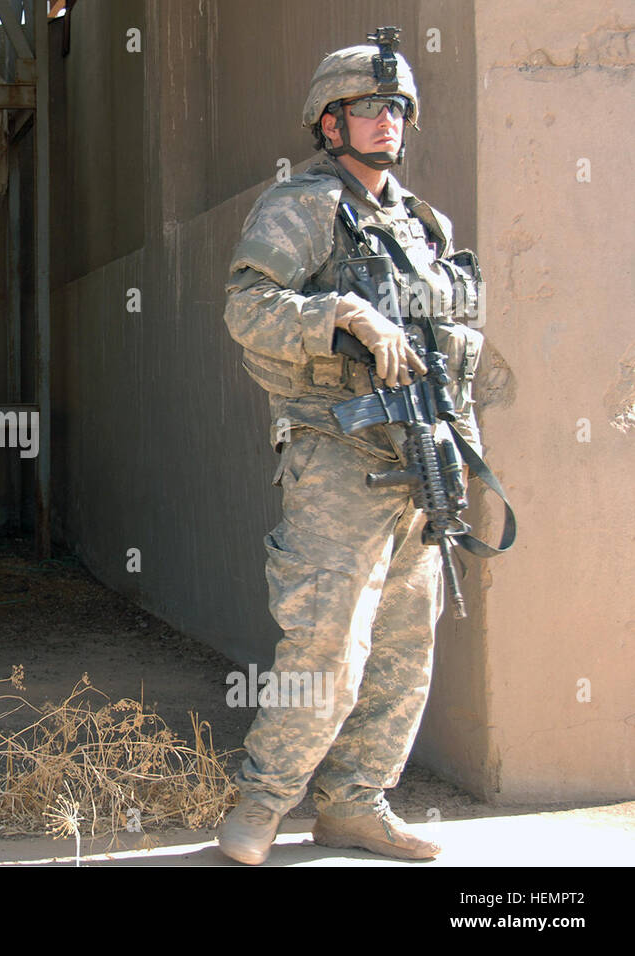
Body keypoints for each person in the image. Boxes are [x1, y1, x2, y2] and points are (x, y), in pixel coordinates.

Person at [216, 28, 486, 864]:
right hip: (338, 454)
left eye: (397, 107)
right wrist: (336, 314)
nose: (386, 120)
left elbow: (454, 356)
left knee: (407, 645)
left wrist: (463, 455)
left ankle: (354, 805)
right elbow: (246, 310)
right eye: (366, 107)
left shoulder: (424, 225)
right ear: (328, 123)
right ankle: (260, 806)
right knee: (327, 643)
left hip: (421, 461)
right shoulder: (302, 206)